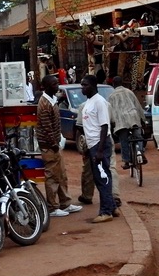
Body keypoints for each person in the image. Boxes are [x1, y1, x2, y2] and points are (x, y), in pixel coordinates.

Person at [35, 74, 77, 217]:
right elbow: (47, 128)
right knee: (52, 176)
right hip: (49, 145)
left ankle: (65, 203)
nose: (57, 86)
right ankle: (53, 207)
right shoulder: (44, 104)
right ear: (46, 87)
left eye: (57, 83)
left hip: (54, 143)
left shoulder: (51, 100)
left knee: (61, 174)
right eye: (54, 84)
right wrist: (54, 144)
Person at [80, 74, 118, 223]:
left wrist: (100, 150)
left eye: (85, 85)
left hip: (99, 144)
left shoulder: (99, 102)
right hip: (92, 145)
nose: (82, 88)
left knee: (103, 179)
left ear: (93, 86)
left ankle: (106, 212)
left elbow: (104, 126)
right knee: (99, 178)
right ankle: (113, 206)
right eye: (82, 85)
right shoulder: (89, 102)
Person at [108, 76, 147, 170]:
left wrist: (111, 123)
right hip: (133, 118)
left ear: (113, 84)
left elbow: (110, 112)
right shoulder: (129, 92)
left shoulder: (111, 96)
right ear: (122, 83)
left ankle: (126, 161)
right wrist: (143, 119)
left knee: (124, 140)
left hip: (121, 121)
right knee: (138, 137)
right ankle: (140, 152)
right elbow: (138, 106)